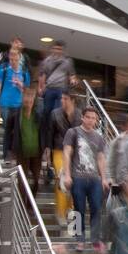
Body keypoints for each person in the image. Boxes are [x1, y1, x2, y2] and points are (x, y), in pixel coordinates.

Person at [62, 106, 108, 252]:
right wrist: (68, 175)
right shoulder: (73, 132)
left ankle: (95, 239)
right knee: (78, 209)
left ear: (96, 120)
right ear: (82, 117)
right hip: (78, 177)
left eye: (93, 118)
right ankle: (79, 240)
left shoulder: (99, 138)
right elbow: (67, 153)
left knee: (96, 207)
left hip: (94, 178)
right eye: (88, 117)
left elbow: (101, 158)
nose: (90, 120)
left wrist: (104, 178)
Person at [0, 38, 31, 162]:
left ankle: (14, 152)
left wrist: (21, 85)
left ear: (20, 59)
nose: (13, 61)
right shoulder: (3, 68)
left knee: (17, 129)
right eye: (11, 59)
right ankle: (7, 155)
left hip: (19, 104)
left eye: (15, 59)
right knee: (7, 127)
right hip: (5, 104)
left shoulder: (24, 72)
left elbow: (27, 90)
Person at [48, 90, 79, 227]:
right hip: (59, 149)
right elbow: (50, 133)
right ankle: (60, 212)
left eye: (65, 99)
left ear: (72, 100)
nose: (62, 101)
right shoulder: (55, 114)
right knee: (62, 181)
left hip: (75, 152)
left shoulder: (79, 114)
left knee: (74, 182)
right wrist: (47, 151)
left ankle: (69, 209)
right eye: (62, 98)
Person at [10, 87, 43, 201]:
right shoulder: (16, 114)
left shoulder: (38, 114)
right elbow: (7, 135)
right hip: (22, 152)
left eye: (31, 100)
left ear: (34, 100)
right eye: (26, 100)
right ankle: (22, 206)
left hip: (36, 153)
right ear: (23, 99)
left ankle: (30, 203)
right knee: (22, 180)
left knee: (36, 180)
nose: (28, 102)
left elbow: (45, 132)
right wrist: (8, 151)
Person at [37, 40, 77, 131]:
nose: (57, 51)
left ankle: (56, 128)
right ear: (52, 49)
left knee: (58, 110)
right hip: (49, 88)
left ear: (62, 50)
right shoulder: (47, 61)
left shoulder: (67, 61)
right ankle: (46, 129)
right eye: (55, 49)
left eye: (59, 49)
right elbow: (43, 75)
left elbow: (71, 74)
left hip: (61, 89)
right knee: (47, 110)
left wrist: (73, 80)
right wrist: (40, 87)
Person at [107, 112, 128, 201]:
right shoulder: (118, 142)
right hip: (120, 183)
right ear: (127, 127)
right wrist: (110, 178)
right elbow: (110, 162)